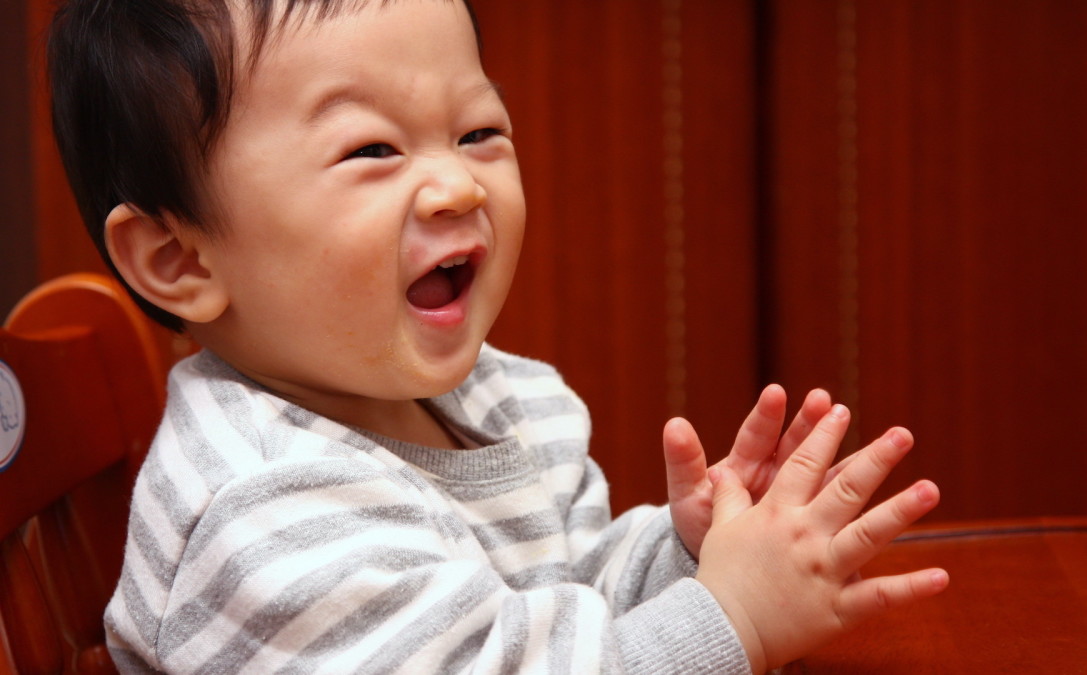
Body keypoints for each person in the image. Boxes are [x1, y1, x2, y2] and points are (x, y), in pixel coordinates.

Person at [47, 0, 947, 672]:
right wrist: (731, 619)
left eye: (479, 131)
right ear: (179, 257)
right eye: (373, 151)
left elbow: (557, 616)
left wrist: (695, 550)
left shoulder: (504, 401)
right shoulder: (263, 515)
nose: (456, 186)